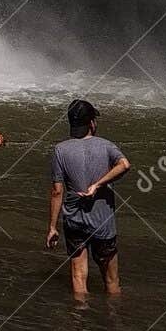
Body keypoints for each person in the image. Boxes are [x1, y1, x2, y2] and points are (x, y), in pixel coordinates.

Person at [47, 99, 130, 299]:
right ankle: (113, 316)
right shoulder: (106, 146)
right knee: (111, 282)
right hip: (103, 222)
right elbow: (124, 165)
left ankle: (80, 315)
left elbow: (57, 191)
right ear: (92, 123)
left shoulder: (60, 150)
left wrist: (52, 227)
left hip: (74, 220)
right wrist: (98, 185)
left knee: (78, 277)